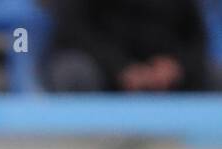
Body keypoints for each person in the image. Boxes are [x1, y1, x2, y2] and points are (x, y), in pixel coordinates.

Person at [46, 0, 214, 93]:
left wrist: (176, 65)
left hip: (166, 75)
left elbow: (196, 37)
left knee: (215, 77)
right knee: (74, 72)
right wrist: (121, 68)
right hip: (104, 69)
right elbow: (75, 31)